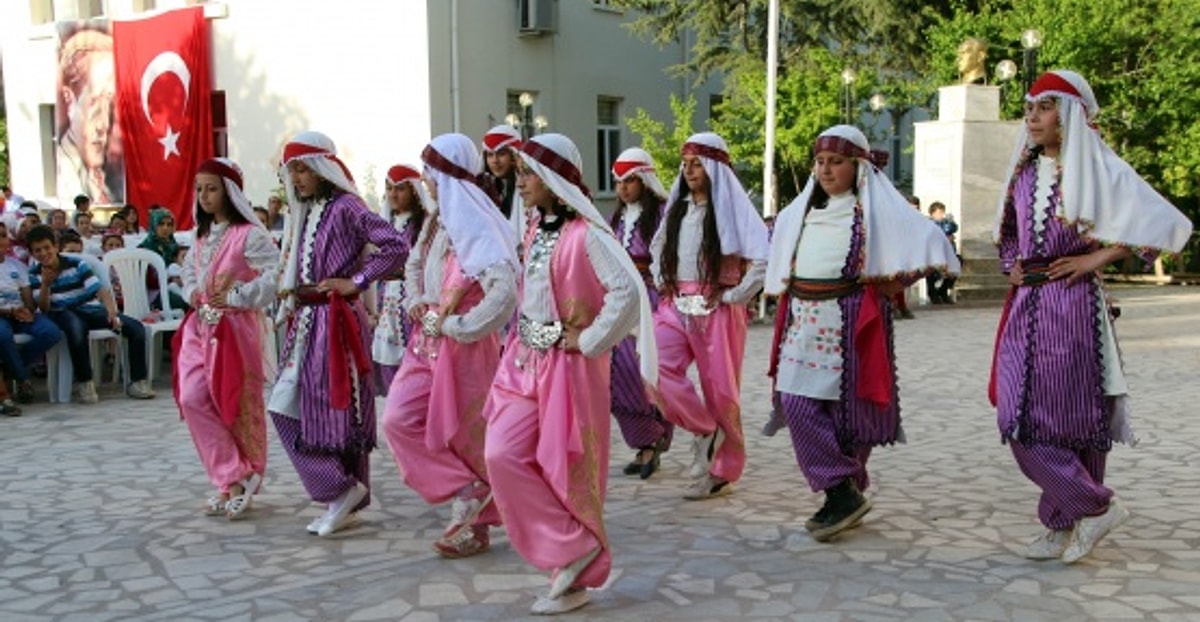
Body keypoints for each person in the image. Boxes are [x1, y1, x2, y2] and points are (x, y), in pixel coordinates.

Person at [991, 70, 1192, 564]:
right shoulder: (1023, 171)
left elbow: (1161, 223)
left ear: (1071, 116)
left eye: (1044, 108)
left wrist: (1095, 259)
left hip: (1072, 305)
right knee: (1016, 415)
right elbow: (1008, 233)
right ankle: (1088, 508)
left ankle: (1068, 520)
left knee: (1071, 416)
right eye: (1030, 108)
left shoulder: (1098, 167)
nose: (1032, 117)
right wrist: (1011, 266)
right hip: (1026, 304)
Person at [483, 134, 654, 615]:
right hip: (523, 365)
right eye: (518, 174)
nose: (520, 183)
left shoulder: (588, 234)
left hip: (568, 368)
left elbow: (626, 291)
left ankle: (572, 564)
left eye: (529, 174)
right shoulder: (534, 228)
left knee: (564, 465)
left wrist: (589, 340)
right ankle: (570, 547)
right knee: (501, 453)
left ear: (556, 180)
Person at [764, 125, 960, 542]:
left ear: (858, 168)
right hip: (804, 319)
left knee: (848, 415)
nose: (826, 170)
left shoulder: (872, 213)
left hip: (850, 316)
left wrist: (897, 283)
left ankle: (844, 497)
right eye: (820, 162)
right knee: (796, 402)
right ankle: (841, 487)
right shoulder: (799, 213)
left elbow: (932, 242)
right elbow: (772, 257)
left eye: (836, 162)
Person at [381, 135, 518, 559]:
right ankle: (467, 488)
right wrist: (419, 300)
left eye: (431, 172)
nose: (426, 181)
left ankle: (474, 529)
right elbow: (415, 265)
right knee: (397, 419)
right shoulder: (437, 221)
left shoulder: (475, 219)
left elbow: (504, 290)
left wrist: (461, 325)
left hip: (463, 347)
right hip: (425, 342)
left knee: (463, 433)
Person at [268, 131, 406, 537]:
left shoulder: (347, 207)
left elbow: (394, 246)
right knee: (285, 406)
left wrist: (357, 281)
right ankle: (340, 492)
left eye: (301, 169)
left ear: (321, 167)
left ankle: (340, 492)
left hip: (334, 321)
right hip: (307, 321)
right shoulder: (303, 211)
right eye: (290, 170)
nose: (295, 178)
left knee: (335, 411)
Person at [650, 132, 769, 500]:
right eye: (685, 164)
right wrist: (660, 279)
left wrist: (734, 295)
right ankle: (705, 430)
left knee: (721, 391)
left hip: (718, 309)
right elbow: (657, 249)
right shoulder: (678, 210)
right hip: (675, 304)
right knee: (652, 367)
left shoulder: (732, 210)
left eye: (697, 163)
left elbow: (763, 259)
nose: (689, 170)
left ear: (715, 167)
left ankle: (722, 469)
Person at [175, 157, 281, 520]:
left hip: (234, 332)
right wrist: (192, 293)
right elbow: (188, 271)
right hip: (199, 329)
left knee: (233, 403)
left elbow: (275, 274)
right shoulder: (200, 236)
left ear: (230, 192)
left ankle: (237, 477)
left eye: (212, 188)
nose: (204, 196)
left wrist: (238, 296)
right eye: (200, 189)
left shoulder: (249, 235)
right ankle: (232, 475)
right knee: (192, 398)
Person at [26, 224, 155, 403]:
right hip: (62, 312)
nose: (43, 253)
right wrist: (46, 285)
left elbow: (101, 290)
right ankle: (85, 382)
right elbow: (44, 307)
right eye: (37, 250)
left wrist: (111, 312)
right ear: (32, 254)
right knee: (76, 328)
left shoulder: (77, 264)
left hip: (90, 309)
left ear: (55, 246)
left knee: (136, 328)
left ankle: (137, 381)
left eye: (47, 247)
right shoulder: (33, 274)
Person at [608, 147, 673, 479]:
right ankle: (644, 441)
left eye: (629, 181)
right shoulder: (617, 217)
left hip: (651, 300)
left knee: (644, 369)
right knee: (616, 373)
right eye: (618, 182)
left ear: (645, 180)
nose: (623, 188)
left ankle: (654, 440)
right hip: (622, 301)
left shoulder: (662, 214)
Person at [369, 164, 428, 390]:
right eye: (389, 188)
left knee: (412, 363)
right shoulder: (384, 225)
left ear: (414, 191)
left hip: (410, 301)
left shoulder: (423, 224)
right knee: (388, 363)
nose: (393, 194)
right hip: (387, 301)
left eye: (400, 188)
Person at [55, 27, 123, 205]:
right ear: (69, 100)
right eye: (94, 103)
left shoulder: (104, 183)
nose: (103, 126)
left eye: (109, 103)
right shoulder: (68, 182)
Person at [0, 222, 64, 404]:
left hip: (19, 313)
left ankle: (8, 370)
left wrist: (28, 311)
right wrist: (9, 311)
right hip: (3, 315)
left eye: (4, 235)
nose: (1, 240)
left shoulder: (17, 266)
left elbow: (28, 300)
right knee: (2, 335)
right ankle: (22, 379)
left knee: (51, 332)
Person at [480, 124, 523, 231]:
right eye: (490, 155)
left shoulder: (525, 188)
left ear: (514, 155)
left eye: (501, 154)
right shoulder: (486, 187)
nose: (495, 161)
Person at [925, 202, 959, 304]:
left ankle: (943, 290)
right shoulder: (927, 223)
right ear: (932, 213)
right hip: (933, 255)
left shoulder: (945, 223)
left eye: (942, 212)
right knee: (931, 270)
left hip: (947, 254)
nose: (941, 215)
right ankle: (933, 293)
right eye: (939, 212)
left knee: (957, 264)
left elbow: (952, 228)